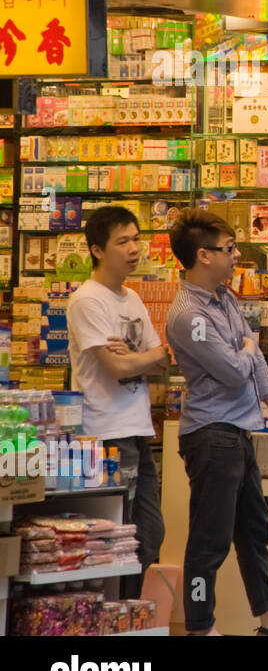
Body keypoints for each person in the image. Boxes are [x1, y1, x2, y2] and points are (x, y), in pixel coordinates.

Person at [165, 208, 268, 636]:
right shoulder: (188, 316)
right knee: (208, 543)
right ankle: (199, 625)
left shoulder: (224, 299)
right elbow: (231, 369)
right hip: (210, 436)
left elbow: (253, 359)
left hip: (238, 431)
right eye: (228, 249)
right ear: (202, 256)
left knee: (254, 530)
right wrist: (247, 347)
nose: (236, 255)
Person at [67, 206, 171, 599]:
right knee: (121, 534)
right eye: (122, 241)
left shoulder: (134, 299)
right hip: (104, 432)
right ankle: (115, 613)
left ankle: (130, 611)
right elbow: (114, 366)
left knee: (150, 534)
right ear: (97, 249)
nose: (134, 248)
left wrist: (136, 357)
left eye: (136, 239)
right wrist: (138, 357)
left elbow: (163, 359)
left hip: (138, 429)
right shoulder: (87, 300)